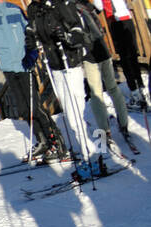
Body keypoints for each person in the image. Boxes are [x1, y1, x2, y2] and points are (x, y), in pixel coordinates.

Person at [0, 0, 67, 161]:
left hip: (24, 65)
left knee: (36, 107)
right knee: (24, 109)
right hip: (8, 67)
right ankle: (42, 141)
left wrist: (32, 55)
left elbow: (30, 33)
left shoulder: (15, 10)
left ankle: (57, 143)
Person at [26, 0, 107, 161]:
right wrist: (30, 40)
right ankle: (89, 146)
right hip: (54, 65)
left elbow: (77, 29)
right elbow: (31, 29)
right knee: (69, 114)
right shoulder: (34, 8)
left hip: (70, 62)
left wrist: (68, 37)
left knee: (74, 112)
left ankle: (90, 152)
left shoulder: (62, 4)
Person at [78, 0, 134, 149]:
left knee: (96, 94)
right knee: (113, 88)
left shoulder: (72, 9)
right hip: (103, 50)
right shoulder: (87, 6)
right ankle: (123, 124)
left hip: (91, 56)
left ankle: (105, 131)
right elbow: (100, 10)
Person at [94, 0, 147, 108]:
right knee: (132, 54)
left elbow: (98, 6)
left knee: (125, 58)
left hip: (116, 21)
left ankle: (135, 92)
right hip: (127, 18)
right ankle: (141, 87)